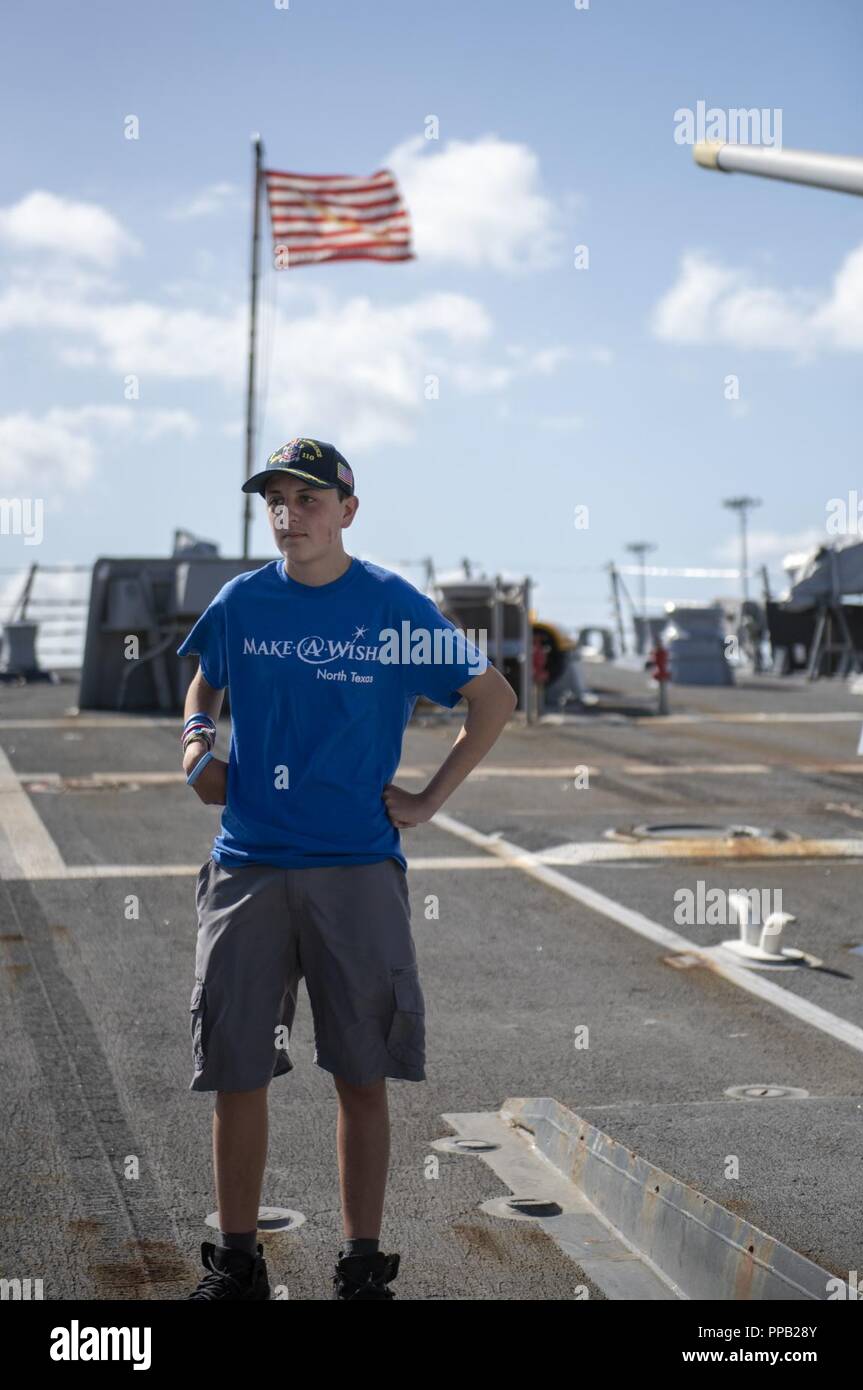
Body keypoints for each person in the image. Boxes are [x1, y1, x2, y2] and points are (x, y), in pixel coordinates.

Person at [176, 437, 517, 1300]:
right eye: (276, 502)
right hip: (247, 866)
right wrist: (193, 750)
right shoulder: (241, 602)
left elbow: (494, 697)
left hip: (357, 871)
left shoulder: (391, 605)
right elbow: (202, 683)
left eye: (310, 500)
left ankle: (362, 1264)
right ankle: (237, 1264)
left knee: (362, 1075)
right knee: (236, 1072)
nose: (290, 516)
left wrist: (430, 799)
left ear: (347, 511)